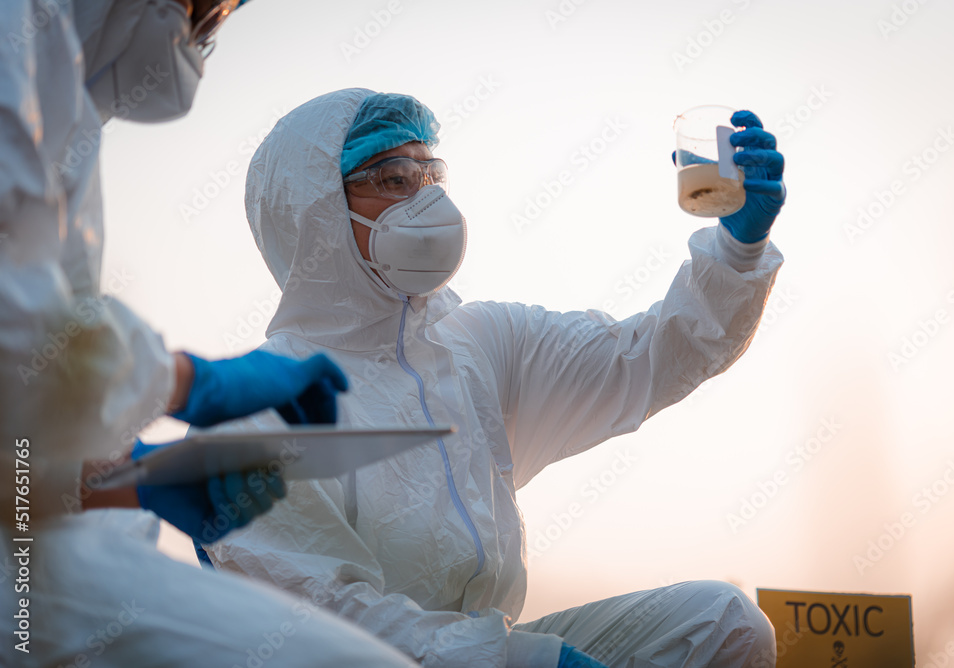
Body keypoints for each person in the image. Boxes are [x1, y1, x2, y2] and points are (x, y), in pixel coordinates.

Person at [199, 88, 787, 668]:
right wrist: (522, 661)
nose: (427, 203)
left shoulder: (476, 345)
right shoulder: (255, 415)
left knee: (721, 623)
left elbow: (648, 357)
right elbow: (320, 625)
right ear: (315, 211)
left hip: (495, 649)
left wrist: (736, 251)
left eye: (432, 177)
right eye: (393, 179)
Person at [0, 2, 416, 666]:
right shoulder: (22, 27)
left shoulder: (60, 100)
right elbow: (19, 337)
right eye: (393, 179)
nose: (211, 27)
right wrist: (199, 382)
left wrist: (123, 478)